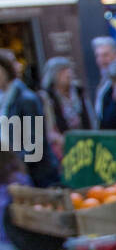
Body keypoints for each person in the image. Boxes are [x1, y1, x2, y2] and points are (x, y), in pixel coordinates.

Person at [0, 47, 59, 188]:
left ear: (5, 70)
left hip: (38, 178)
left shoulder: (27, 99)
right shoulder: (4, 101)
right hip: (18, 177)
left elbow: (34, 146)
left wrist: (10, 164)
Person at [39, 57, 95, 163]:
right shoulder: (46, 97)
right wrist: (62, 140)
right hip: (63, 149)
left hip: (86, 144)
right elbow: (48, 130)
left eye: (68, 69)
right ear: (54, 75)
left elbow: (90, 118)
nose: (68, 74)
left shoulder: (79, 92)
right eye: (62, 71)